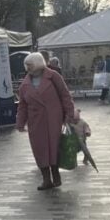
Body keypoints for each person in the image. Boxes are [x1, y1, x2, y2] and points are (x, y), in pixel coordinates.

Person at [16, 53, 75, 191]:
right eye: (27, 65)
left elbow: (65, 96)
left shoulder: (53, 76)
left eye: (30, 65)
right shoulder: (25, 83)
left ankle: (56, 175)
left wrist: (69, 115)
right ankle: (46, 179)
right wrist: (20, 122)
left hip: (53, 119)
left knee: (54, 148)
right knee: (39, 149)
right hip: (36, 122)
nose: (28, 68)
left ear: (38, 63)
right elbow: (22, 105)